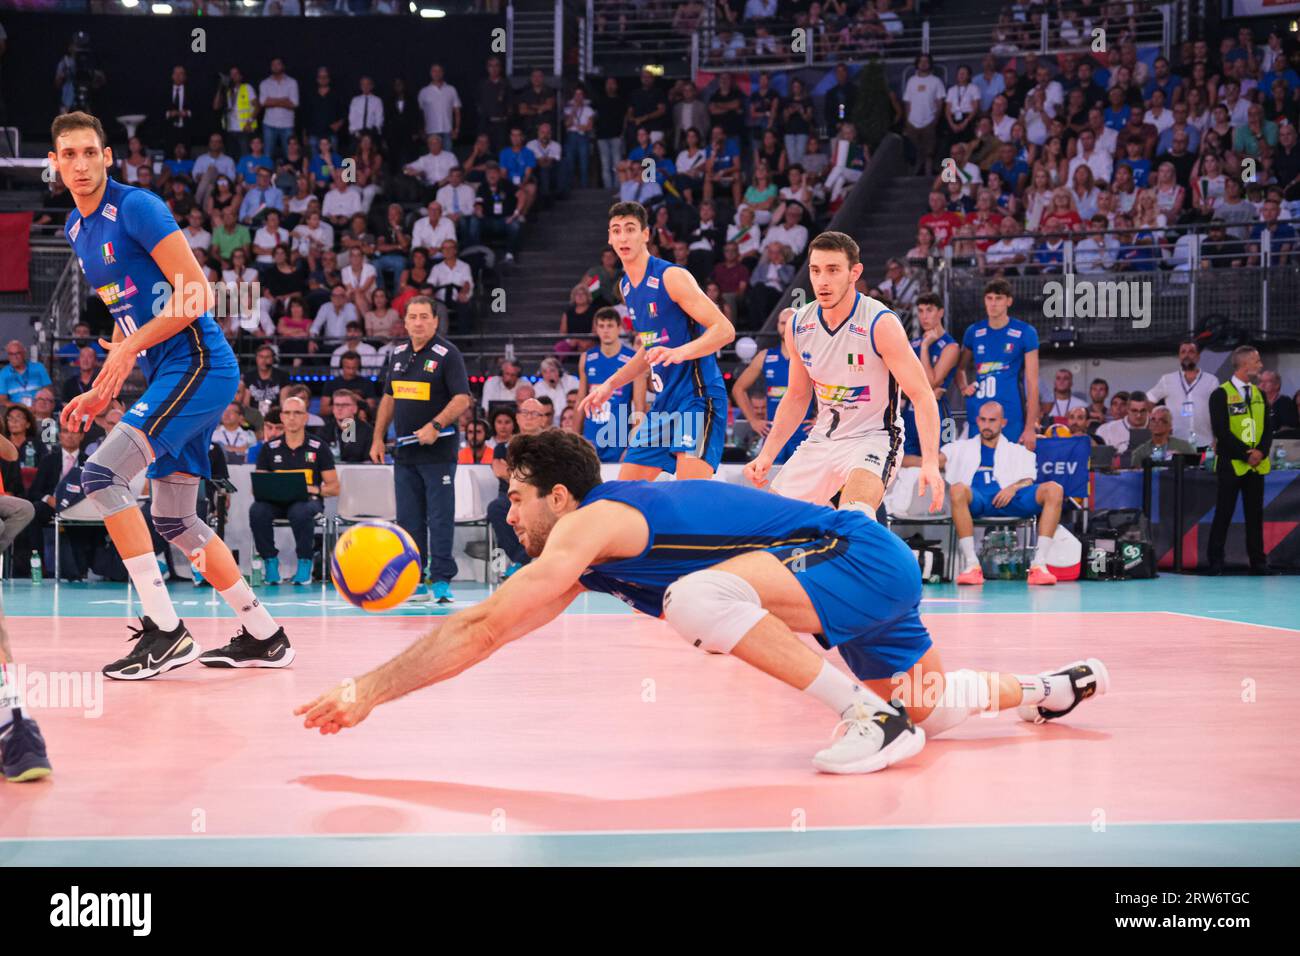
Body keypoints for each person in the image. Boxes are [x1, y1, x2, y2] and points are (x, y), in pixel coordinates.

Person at [295, 430, 1110, 773]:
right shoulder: (591, 557)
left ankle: (869, 718)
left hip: (848, 560)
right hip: (847, 576)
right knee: (935, 710)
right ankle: (1047, 689)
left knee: (694, 597)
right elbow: (487, 635)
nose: (508, 515)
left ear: (559, 497)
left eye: (516, 498)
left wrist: (366, 690)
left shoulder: (595, 523)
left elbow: (478, 616)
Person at [53, 111, 293, 682]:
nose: (81, 165)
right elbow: (127, 310)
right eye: (69, 155)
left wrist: (126, 349)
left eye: (91, 152)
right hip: (169, 373)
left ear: (108, 156)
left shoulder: (135, 207)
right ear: (55, 164)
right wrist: (103, 383)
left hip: (201, 365)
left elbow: (197, 295)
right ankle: (266, 635)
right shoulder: (75, 228)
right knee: (174, 519)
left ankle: (166, 632)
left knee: (101, 476)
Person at [743, 232, 944, 518]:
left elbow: (922, 394)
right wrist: (766, 454)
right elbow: (798, 396)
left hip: (874, 437)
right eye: (815, 270)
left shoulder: (880, 323)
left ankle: (886, 560)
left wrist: (930, 462)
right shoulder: (799, 324)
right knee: (772, 523)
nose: (822, 280)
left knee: (855, 516)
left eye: (833, 270)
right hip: (823, 439)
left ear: (854, 272)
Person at [577, 201, 734, 481]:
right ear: (610, 239)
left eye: (630, 229)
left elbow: (724, 330)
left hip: (697, 397)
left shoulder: (671, 276)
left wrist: (680, 352)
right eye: (617, 230)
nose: (623, 237)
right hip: (663, 404)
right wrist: (609, 386)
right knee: (625, 495)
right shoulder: (625, 287)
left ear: (646, 234)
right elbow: (648, 350)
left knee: (690, 495)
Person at [369, 296, 472, 604]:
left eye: (424, 317)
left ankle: (441, 580)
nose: (418, 322)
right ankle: (414, 580)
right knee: (408, 520)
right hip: (404, 452)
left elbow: (462, 398)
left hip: (438, 453)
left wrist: (436, 426)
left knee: (439, 518)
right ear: (405, 321)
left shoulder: (447, 354)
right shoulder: (398, 353)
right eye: (412, 317)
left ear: (435, 321)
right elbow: (389, 398)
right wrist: (377, 438)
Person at [943, 401, 1065, 586]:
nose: (987, 425)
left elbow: (1029, 479)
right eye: (983, 420)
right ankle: (972, 565)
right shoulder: (960, 448)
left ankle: (1039, 565)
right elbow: (932, 461)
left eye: (992, 420)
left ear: (1003, 422)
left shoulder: (1017, 450)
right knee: (957, 489)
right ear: (977, 420)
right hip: (979, 499)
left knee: (1054, 489)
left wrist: (1012, 488)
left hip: (1013, 499)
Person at [250, 395, 338, 585]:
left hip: (307, 502)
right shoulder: (269, 448)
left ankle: (305, 563)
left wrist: (309, 488)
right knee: (257, 510)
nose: (292, 417)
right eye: (287, 413)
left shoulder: (318, 447)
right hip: (276, 502)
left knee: (300, 511)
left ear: (305, 417)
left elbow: (334, 487)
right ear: (281, 417)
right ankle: (270, 562)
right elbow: (257, 485)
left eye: (297, 413)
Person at [1207, 346, 1274, 575]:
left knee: (1255, 515)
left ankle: (1258, 561)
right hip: (1231, 463)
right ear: (1245, 365)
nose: (1260, 365)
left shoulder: (1260, 394)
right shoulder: (1221, 394)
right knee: (1223, 512)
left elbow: (1268, 429)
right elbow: (1221, 432)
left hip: (1256, 465)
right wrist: (1247, 453)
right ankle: (1216, 561)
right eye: (1257, 361)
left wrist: (1261, 452)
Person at [956, 278, 1041, 449]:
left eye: (999, 298)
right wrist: (964, 387)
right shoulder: (973, 332)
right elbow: (960, 368)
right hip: (979, 413)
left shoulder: (1025, 332)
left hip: (1011, 412)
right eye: (989, 298)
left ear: (1009, 301)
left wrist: (1030, 427)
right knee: (977, 468)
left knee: (1011, 470)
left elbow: (1032, 383)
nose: (993, 303)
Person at [730, 307, 815, 465]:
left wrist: (820, 419)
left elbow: (833, 387)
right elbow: (738, 389)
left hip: (803, 434)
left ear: (800, 325)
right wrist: (753, 420)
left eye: (791, 323)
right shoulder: (765, 356)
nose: (786, 327)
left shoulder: (812, 356)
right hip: (774, 433)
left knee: (803, 486)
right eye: (783, 323)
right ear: (777, 325)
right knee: (769, 483)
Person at [485, 397, 550, 579]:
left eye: (534, 413)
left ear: (542, 419)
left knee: (544, 510)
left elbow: (547, 474)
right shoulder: (503, 447)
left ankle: (520, 563)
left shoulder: (550, 445)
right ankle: (520, 559)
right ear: (518, 418)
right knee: (496, 508)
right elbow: (499, 470)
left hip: (539, 496)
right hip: (511, 497)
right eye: (525, 413)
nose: (529, 417)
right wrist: (530, 476)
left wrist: (513, 473)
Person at [574, 308, 639, 464]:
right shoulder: (587, 358)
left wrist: (634, 445)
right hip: (591, 437)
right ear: (596, 329)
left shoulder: (633, 359)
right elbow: (580, 401)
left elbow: (639, 405)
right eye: (601, 326)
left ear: (619, 327)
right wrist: (574, 439)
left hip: (619, 439)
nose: (605, 330)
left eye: (610, 325)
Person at [1146, 339, 1218, 448]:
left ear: (1198, 357)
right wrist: (1157, 417)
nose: (1186, 355)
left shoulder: (1211, 380)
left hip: (1205, 442)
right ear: (1179, 357)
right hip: (1176, 443)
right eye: (1183, 352)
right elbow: (1149, 400)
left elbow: (1218, 412)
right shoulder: (1167, 379)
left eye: (1191, 352)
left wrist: (1217, 439)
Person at [319, 389, 373, 464]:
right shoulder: (324, 431)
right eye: (337, 405)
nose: (339, 408)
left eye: (345, 405)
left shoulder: (367, 431)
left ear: (355, 409)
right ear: (333, 409)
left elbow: (369, 462)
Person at [1130, 406, 1196, 467]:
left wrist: (1181, 460)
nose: (1156, 423)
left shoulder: (1184, 447)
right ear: (1149, 425)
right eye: (1153, 420)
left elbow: (1196, 471)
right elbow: (1135, 475)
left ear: (1170, 426)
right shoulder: (1140, 452)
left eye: (1162, 420)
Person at [0, 341, 54, 407]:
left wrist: (37, 406)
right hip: (17, 411)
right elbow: (3, 400)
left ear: (24, 353)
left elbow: (48, 391)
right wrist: (22, 409)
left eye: (18, 353)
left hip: (39, 408)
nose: (15, 357)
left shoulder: (39, 367)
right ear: (8, 356)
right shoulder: (3, 374)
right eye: (11, 354)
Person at [1260, 369, 1300, 435]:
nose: (1263, 384)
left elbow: (1288, 427)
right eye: (1261, 381)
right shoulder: (1256, 403)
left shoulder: (1285, 402)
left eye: (1268, 381)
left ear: (1277, 385)